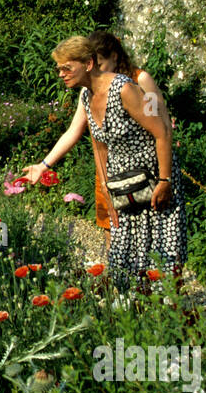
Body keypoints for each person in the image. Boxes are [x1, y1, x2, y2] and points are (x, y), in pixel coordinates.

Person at [27, 35, 185, 289]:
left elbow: (162, 131)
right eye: (59, 69)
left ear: (88, 64)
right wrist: (104, 186)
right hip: (123, 185)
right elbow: (98, 144)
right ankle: (133, 311)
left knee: (161, 260)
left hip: (153, 182)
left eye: (67, 68)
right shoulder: (86, 97)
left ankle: (172, 316)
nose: (61, 74)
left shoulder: (125, 88)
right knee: (123, 257)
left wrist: (165, 181)